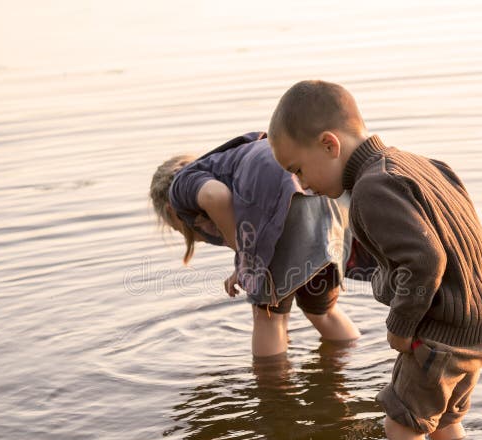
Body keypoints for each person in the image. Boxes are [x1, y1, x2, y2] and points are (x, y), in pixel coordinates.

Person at [267, 81, 482, 440]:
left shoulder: (372, 187)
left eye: (298, 169)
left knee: (401, 426)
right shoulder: (421, 164)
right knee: (439, 418)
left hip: (444, 326)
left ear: (329, 145)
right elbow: (467, 232)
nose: (301, 184)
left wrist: (400, 325)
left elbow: (426, 260)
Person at [149, 132, 360, 357]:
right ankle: (353, 364)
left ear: (172, 211)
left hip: (287, 208)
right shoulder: (230, 160)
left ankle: (271, 390)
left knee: (268, 318)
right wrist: (243, 263)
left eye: (175, 228)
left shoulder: (183, 184)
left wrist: (244, 260)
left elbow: (215, 197)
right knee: (323, 312)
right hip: (329, 201)